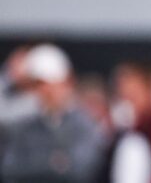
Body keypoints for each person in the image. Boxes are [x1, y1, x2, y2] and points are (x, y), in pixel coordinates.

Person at [0, 43, 106, 183]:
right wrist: (54, 161)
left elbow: (80, 170)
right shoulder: (25, 127)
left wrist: (33, 163)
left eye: (46, 84)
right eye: (37, 85)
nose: (44, 92)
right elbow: (10, 169)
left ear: (65, 82)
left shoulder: (84, 125)